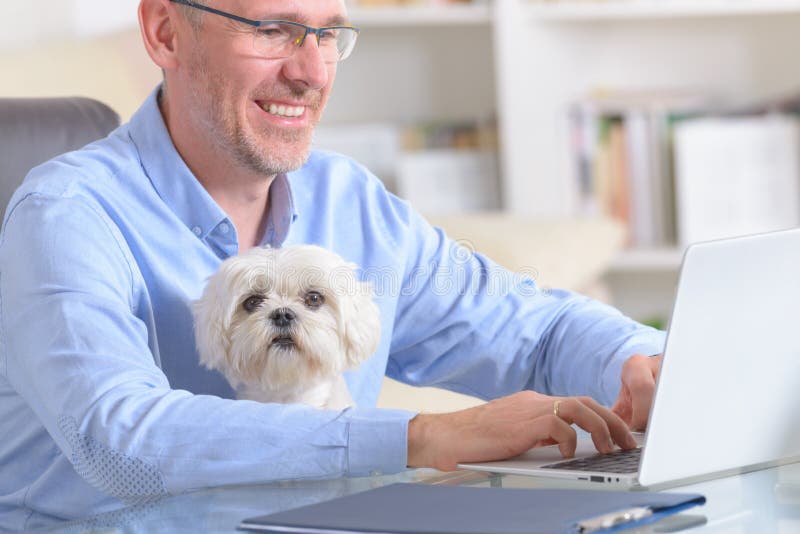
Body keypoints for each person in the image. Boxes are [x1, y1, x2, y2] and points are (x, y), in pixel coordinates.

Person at [0, 0, 665, 529]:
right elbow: (117, 439)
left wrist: (641, 363)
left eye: (328, 36)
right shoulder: (64, 215)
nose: (312, 73)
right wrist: (420, 438)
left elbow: (531, 329)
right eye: (274, 30)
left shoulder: (349, 199)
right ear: (167, 32)